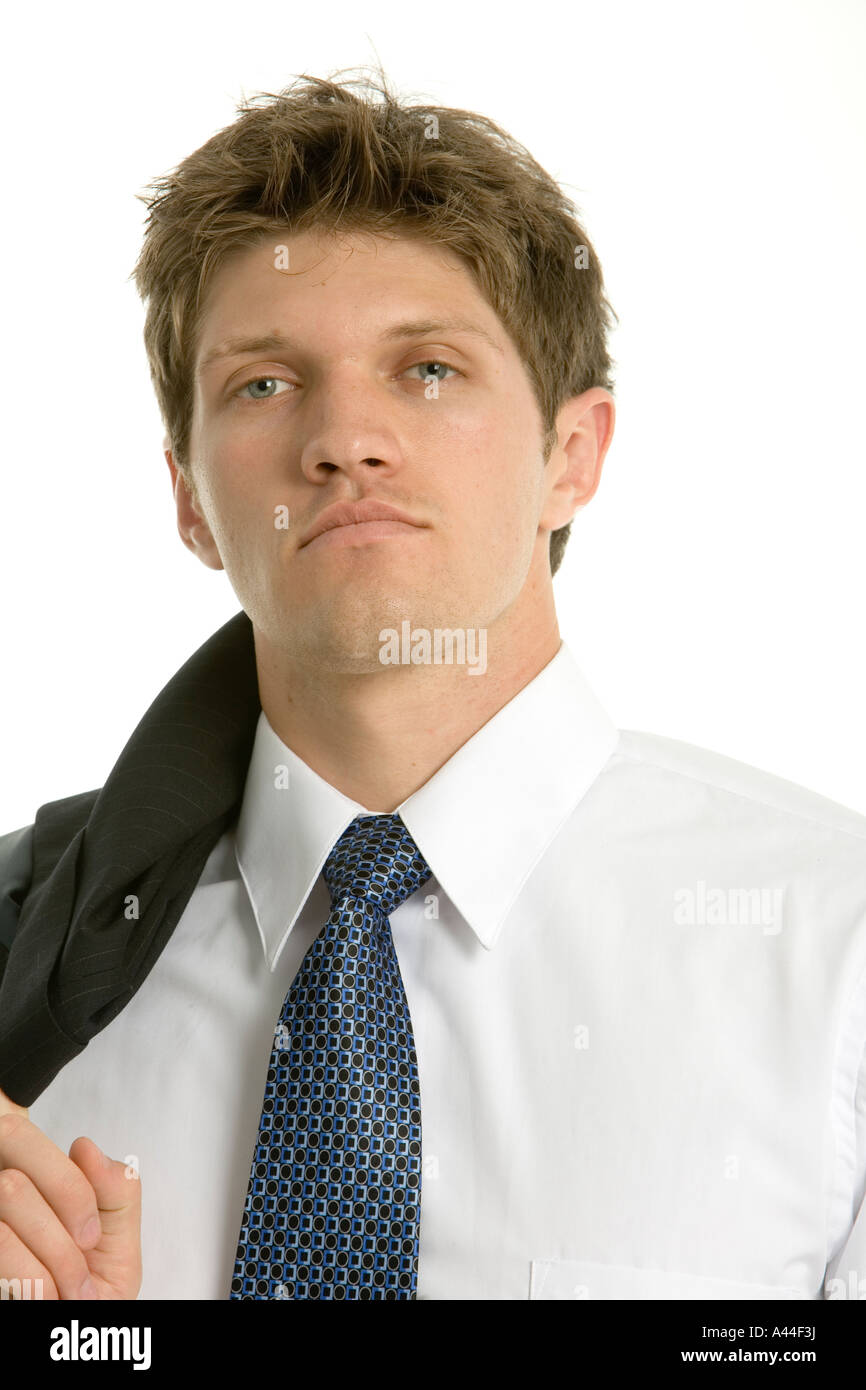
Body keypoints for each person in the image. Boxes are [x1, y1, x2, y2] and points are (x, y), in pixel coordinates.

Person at [0, 67, 864, 1303]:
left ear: (571, 457)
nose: (345, 438)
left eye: (428, 370)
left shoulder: (839, 963)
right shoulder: (28, 977)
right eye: (262, 382)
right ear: (191, 499)